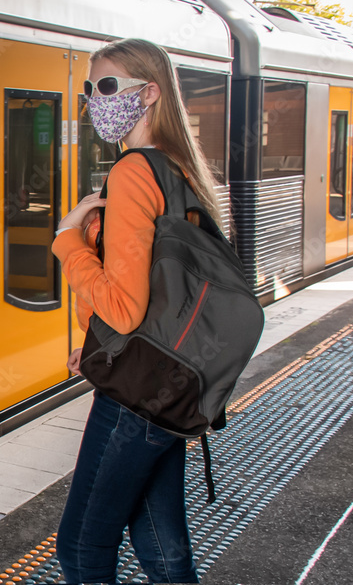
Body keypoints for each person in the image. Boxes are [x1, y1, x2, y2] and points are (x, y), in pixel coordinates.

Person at [50, 38, 224, 584]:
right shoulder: (179, 168)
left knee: (81, 548)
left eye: (107, 87)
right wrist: (100, 346)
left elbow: (124, 309)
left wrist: (68, 239)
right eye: (89, 89)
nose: (95, 99)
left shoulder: (132, 173)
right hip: (172, 385)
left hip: (137, 396)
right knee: (160, 543)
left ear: (149, 93)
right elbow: (165, 289)